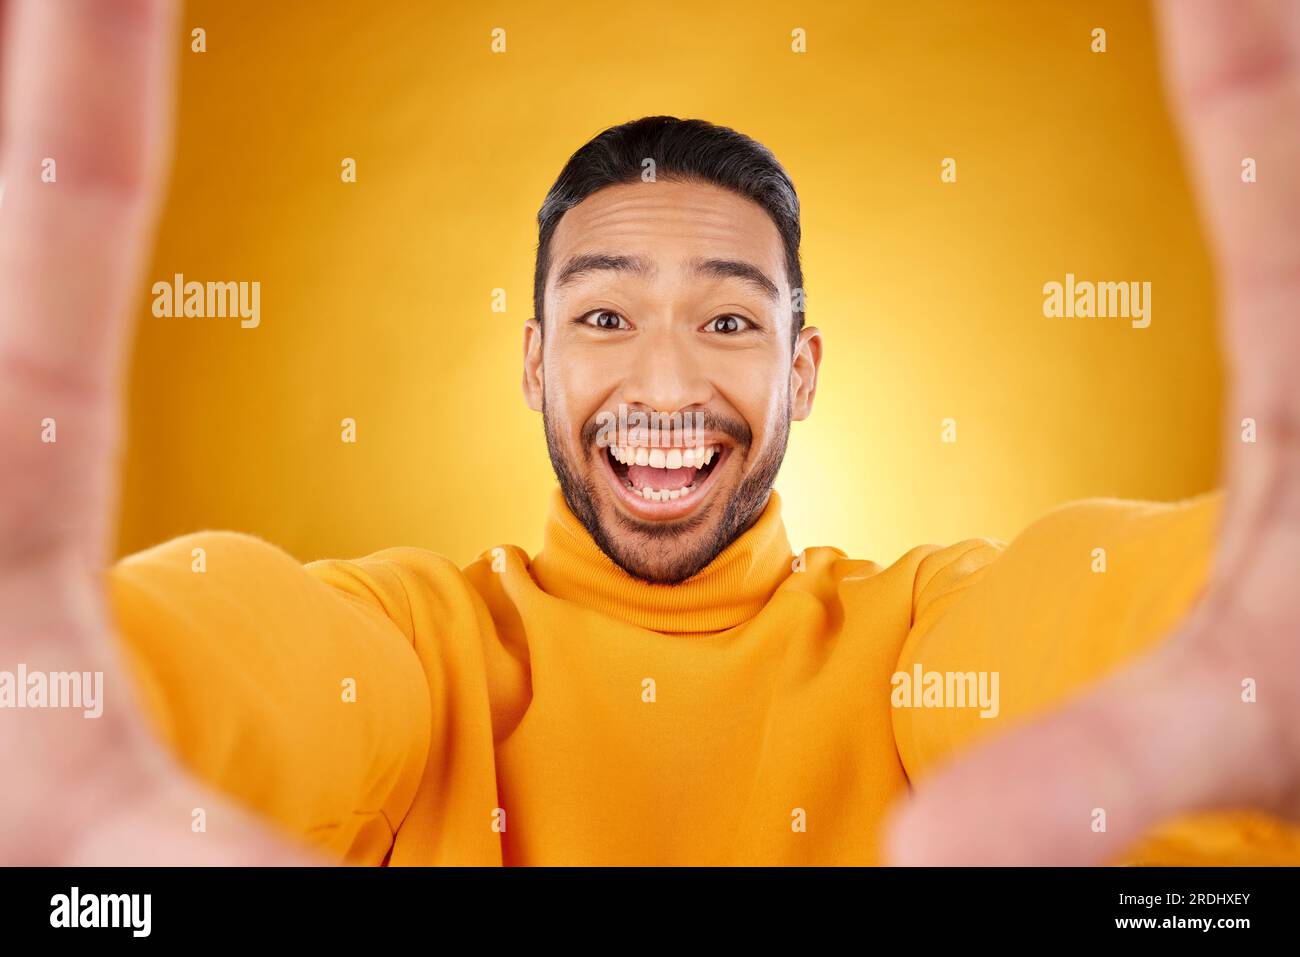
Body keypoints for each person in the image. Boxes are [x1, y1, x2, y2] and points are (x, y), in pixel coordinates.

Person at [1, 0, 1297, 866]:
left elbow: (1080, 619)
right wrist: (67, 696)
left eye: (729, 325)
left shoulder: (922, 642)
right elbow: (238, 656)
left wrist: (1235, 638)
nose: (663, 377)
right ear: (532, 362)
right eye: (606, 314)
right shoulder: (415, 650)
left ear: (804, 372)